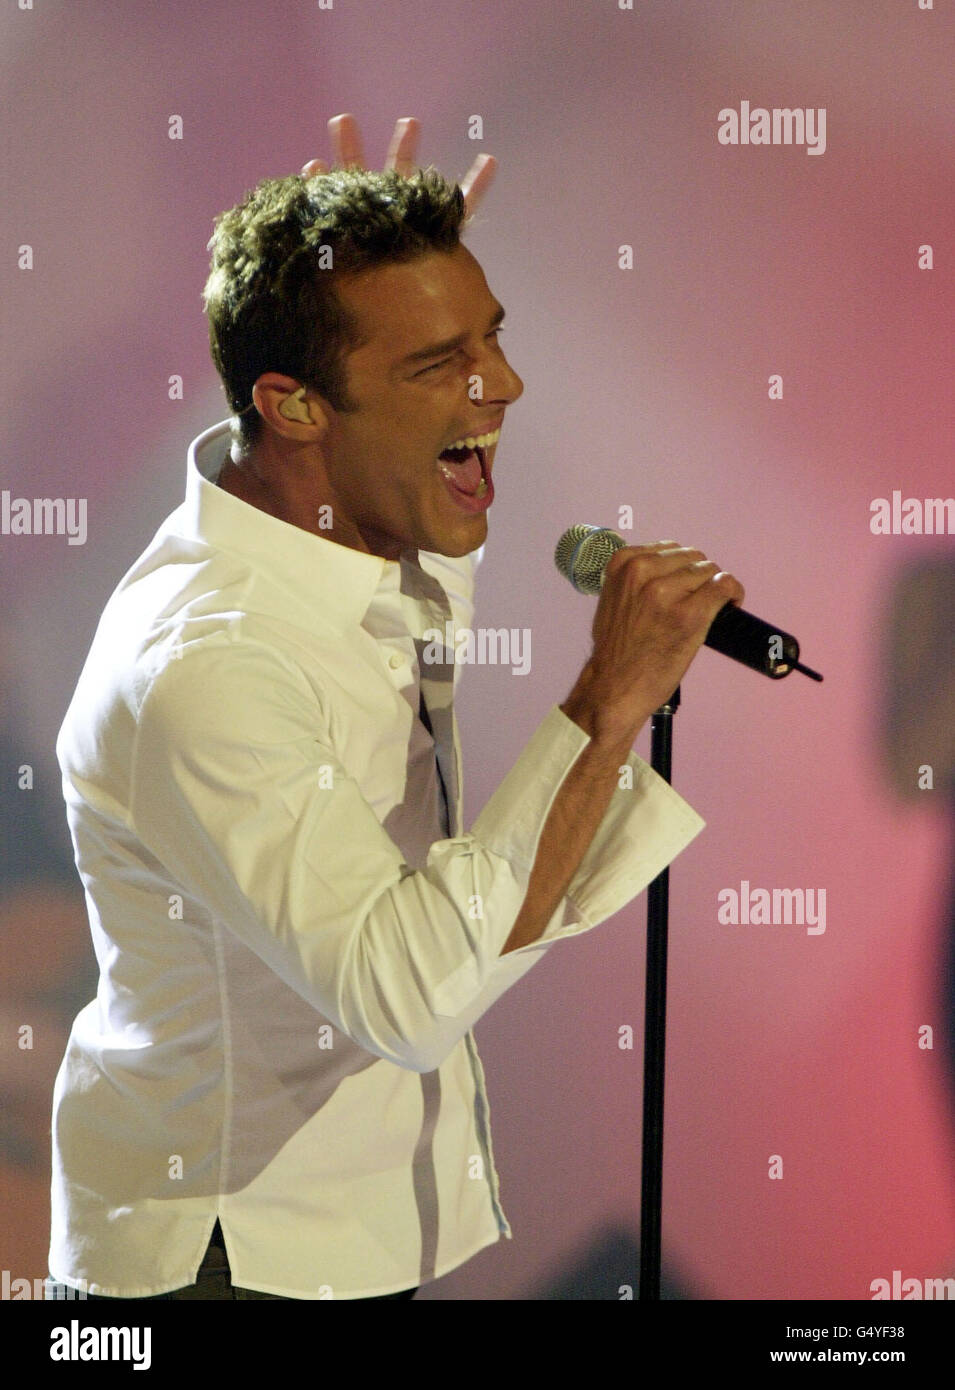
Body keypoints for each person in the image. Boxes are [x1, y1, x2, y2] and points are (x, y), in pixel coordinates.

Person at [45, 115, 743, 1301]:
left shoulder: (356, 529)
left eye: (492, 337)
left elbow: (405, 468)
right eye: (437, 365)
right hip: (220, 1264)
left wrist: (361, 262)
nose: (503, 386)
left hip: (336, 1240)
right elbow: (404, 994)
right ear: (293, 407)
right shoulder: (209, 664)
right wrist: (606, 698)